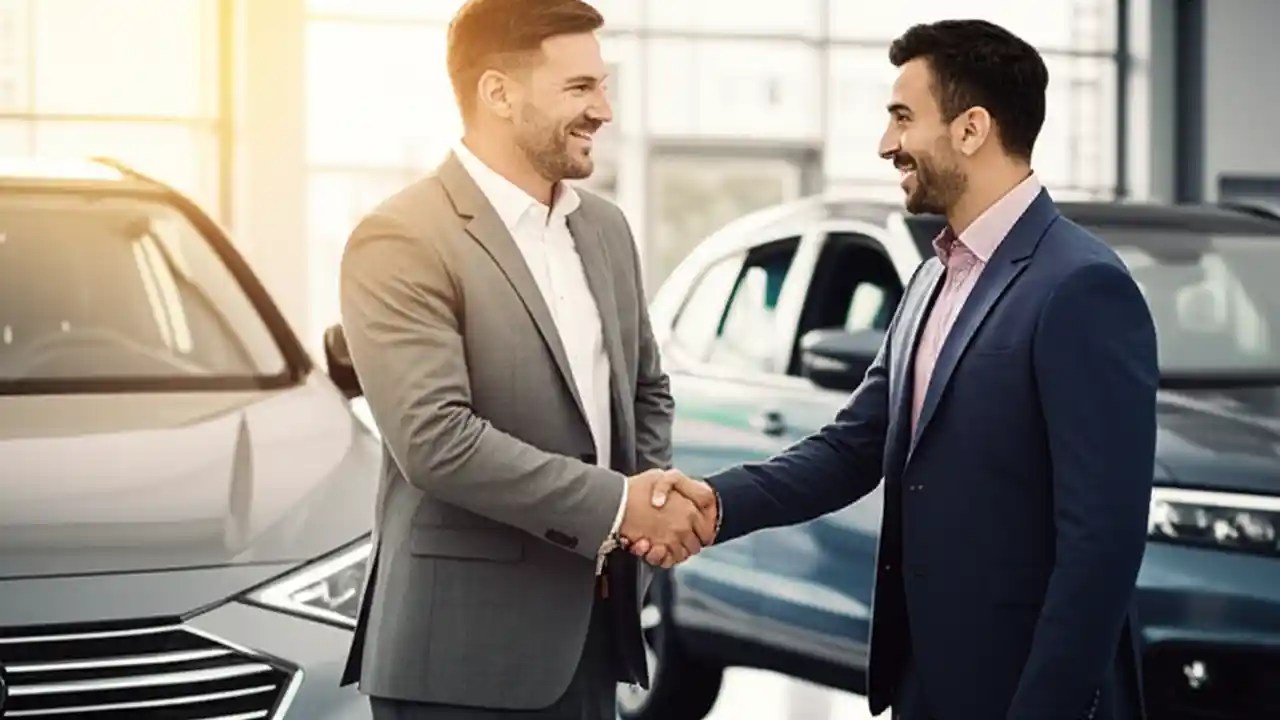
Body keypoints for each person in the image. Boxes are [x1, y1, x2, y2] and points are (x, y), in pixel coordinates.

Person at [631, 19, 1158, 720]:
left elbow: (1102, 543)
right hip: (927, 681)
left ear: (971, 129)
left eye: (903, 118)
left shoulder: (1081, 286)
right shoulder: (931, 279)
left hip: (1023, 689)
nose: (887, 144)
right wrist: (713, 503)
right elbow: (852, 447)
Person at [337, 1, 714, 717]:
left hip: (592, 642)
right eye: (580, 87)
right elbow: (435, 440)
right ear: (498, 93)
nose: (603, 110)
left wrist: (647, 517)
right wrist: (619, 507)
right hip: (458, 662)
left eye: (603, 86)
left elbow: (646, 390)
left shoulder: (605, 229)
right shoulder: (402, 237)